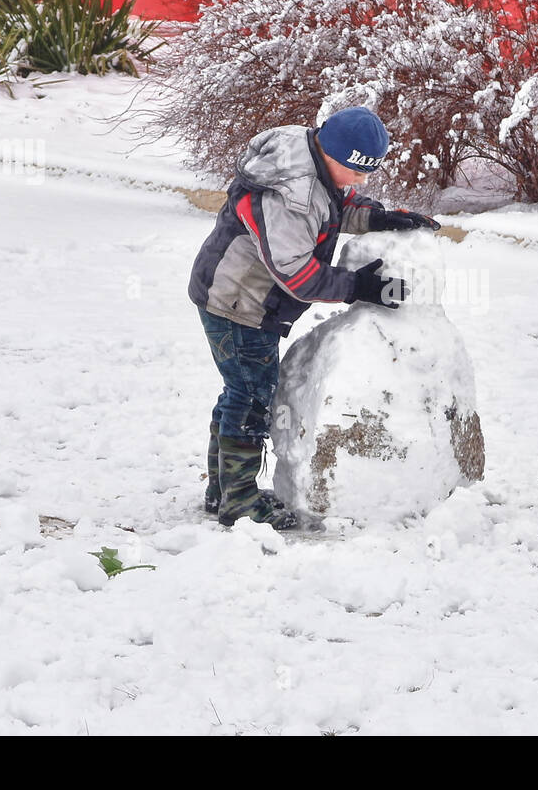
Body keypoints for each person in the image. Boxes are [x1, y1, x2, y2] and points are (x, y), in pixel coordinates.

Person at [188, 106, 440, 530]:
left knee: (239, 392)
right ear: (330, 152)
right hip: (238, 304)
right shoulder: (292, 196)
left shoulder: (311, 159)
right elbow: (298, 275)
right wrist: (357, 287)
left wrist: (377, 216)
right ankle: (240, 503)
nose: (361, 181)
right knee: (250, 398)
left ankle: (225, 491)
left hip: (242, 298)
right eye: (355, 171)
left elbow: (336, 203)